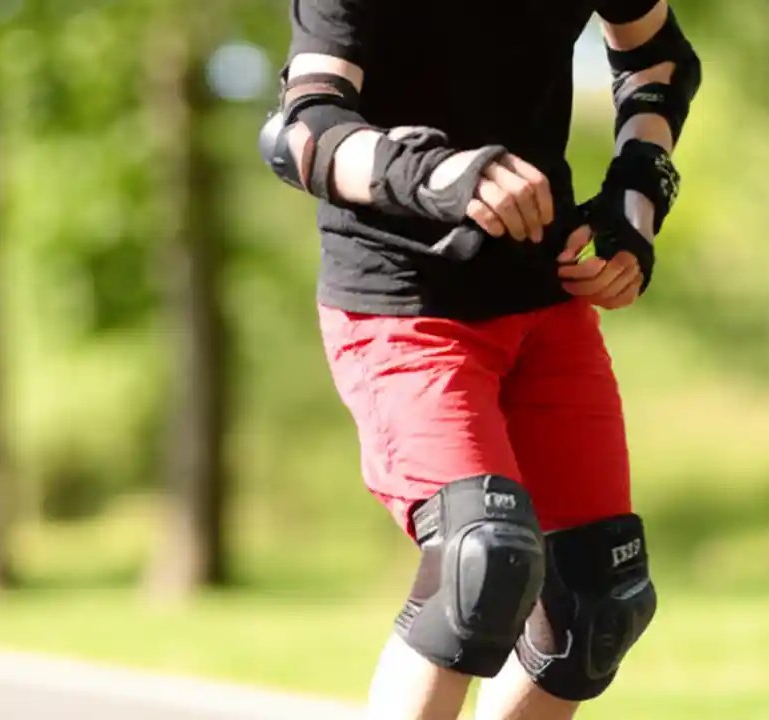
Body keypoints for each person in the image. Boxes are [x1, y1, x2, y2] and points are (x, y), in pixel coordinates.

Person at [260, 1, 700, 717]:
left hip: (544, 295)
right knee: (482, 563)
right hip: (405, 304)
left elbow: (660, 60)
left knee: (597, 599)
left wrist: (635, 201)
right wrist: (439, 174)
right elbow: (304, 131)